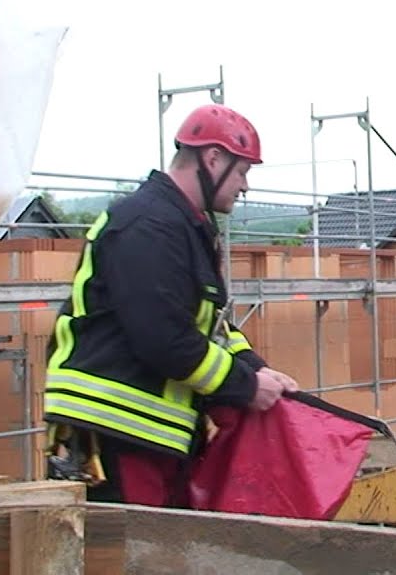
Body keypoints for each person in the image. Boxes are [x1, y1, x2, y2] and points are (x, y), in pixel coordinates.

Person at [42, 102, 299, 507]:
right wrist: (245, 386)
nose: (245, 185)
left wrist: (258, 368)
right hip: (115, 426)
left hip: (145, 434)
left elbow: (207, 325)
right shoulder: (149, 225)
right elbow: (163, 339)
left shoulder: (179, 225)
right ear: (213, 158)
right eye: (243, 171)